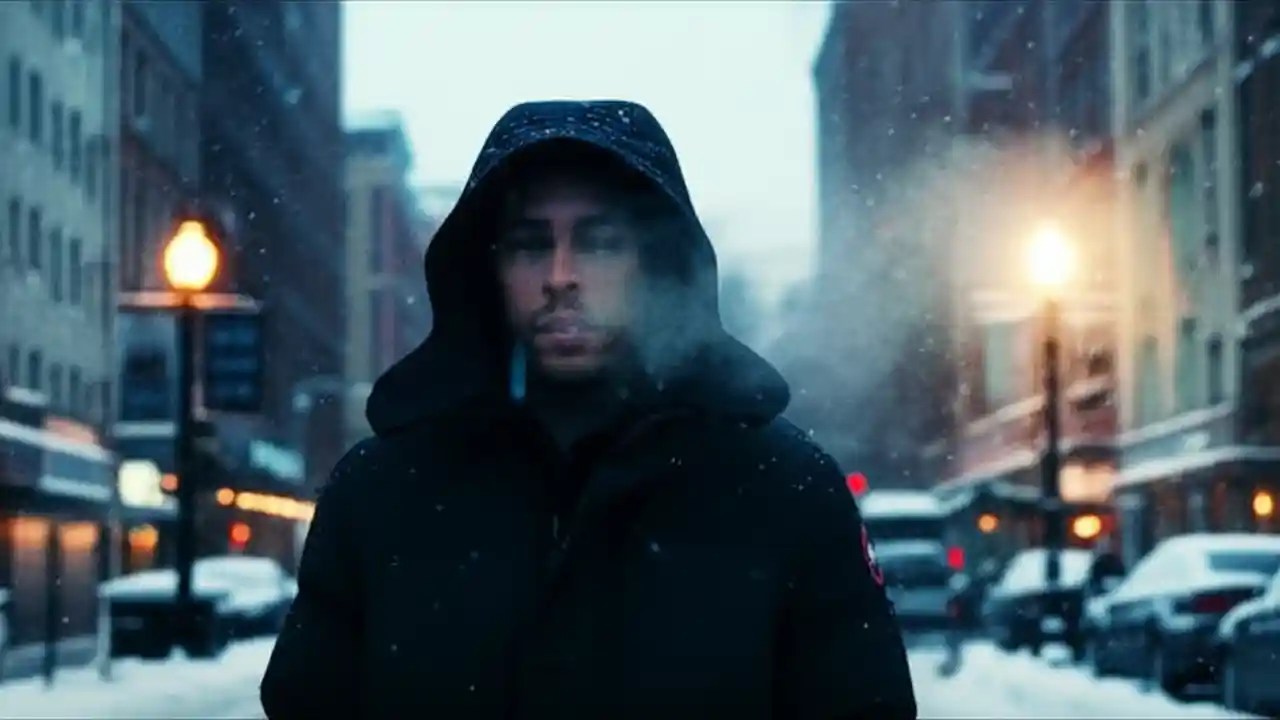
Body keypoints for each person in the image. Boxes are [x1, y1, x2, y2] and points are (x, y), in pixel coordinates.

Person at [260, 99, 917, 719]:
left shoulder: (782, 488)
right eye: (530, 244)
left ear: (655, 264)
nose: (561, 276)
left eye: (599, 243)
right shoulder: (381, 492)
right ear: (489, 269)